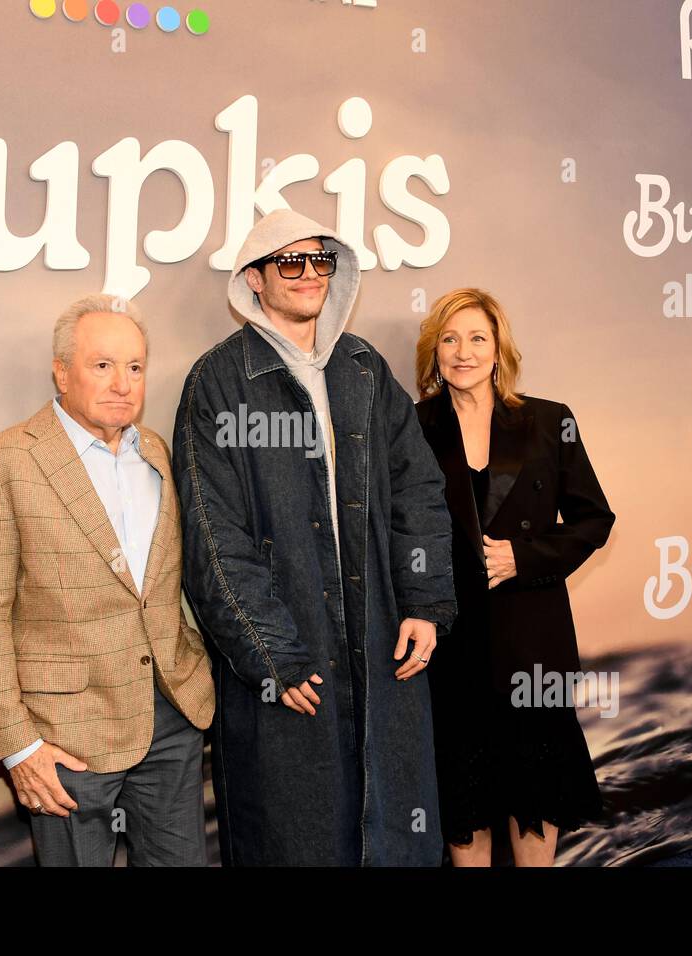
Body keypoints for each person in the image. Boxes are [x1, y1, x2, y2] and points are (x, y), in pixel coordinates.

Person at [172, 208, 457, 866]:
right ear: (254, 279)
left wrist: (423, 603)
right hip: (286, 666)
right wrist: (274, 656)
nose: (308, 275)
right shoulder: (218, 382)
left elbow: (416, 490)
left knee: (394, 835)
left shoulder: (364, 368)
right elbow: (215, 541)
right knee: (295, 835)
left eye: (319, 260)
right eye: (288, 262)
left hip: (383, 643)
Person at [0, 293, 215, 866]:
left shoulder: (156, 452)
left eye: (135, 367)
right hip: (65, 737)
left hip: (171, 719)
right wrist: (19, 746)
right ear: (61, 372)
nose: (122, 383)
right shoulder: (3, 463)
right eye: (102, 365)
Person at [413, 288, 615, 867]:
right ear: (434, 354)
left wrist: (522, 558)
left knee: (534, 798)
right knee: (464, 802)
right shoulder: (412, 428)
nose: (464, 352)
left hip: (531, 644)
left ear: (499, 349)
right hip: (451, 652)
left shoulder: (551, 421)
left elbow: (594, 520)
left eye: (478, 338)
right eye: (449, 340)